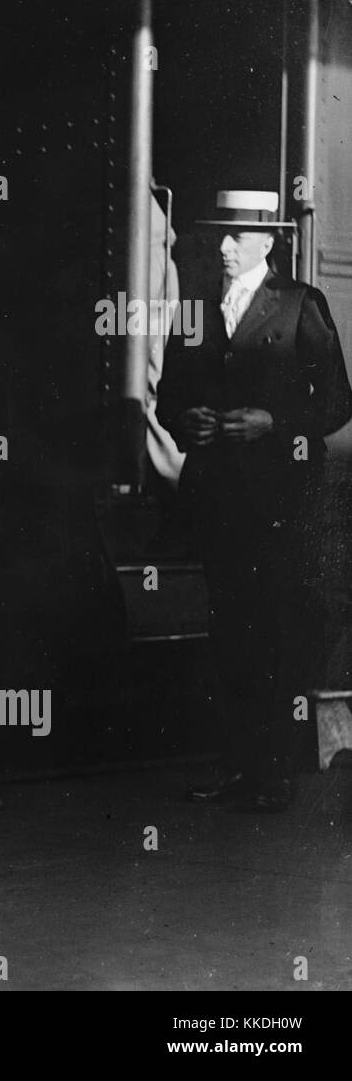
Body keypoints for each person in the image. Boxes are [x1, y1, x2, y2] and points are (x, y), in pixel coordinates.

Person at [158, 189, 352, 812]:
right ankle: (237, 767)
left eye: (237, 236)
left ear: (267, 243)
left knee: (276, 629)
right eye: (220, 234)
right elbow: (167, 399)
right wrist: (190, 421)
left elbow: (336, 403)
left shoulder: (301, 305)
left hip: (283, 499)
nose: (223, 246)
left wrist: (273, 420)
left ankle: (274, 774)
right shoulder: (195, 309)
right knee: (230, 632)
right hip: (218, 498)